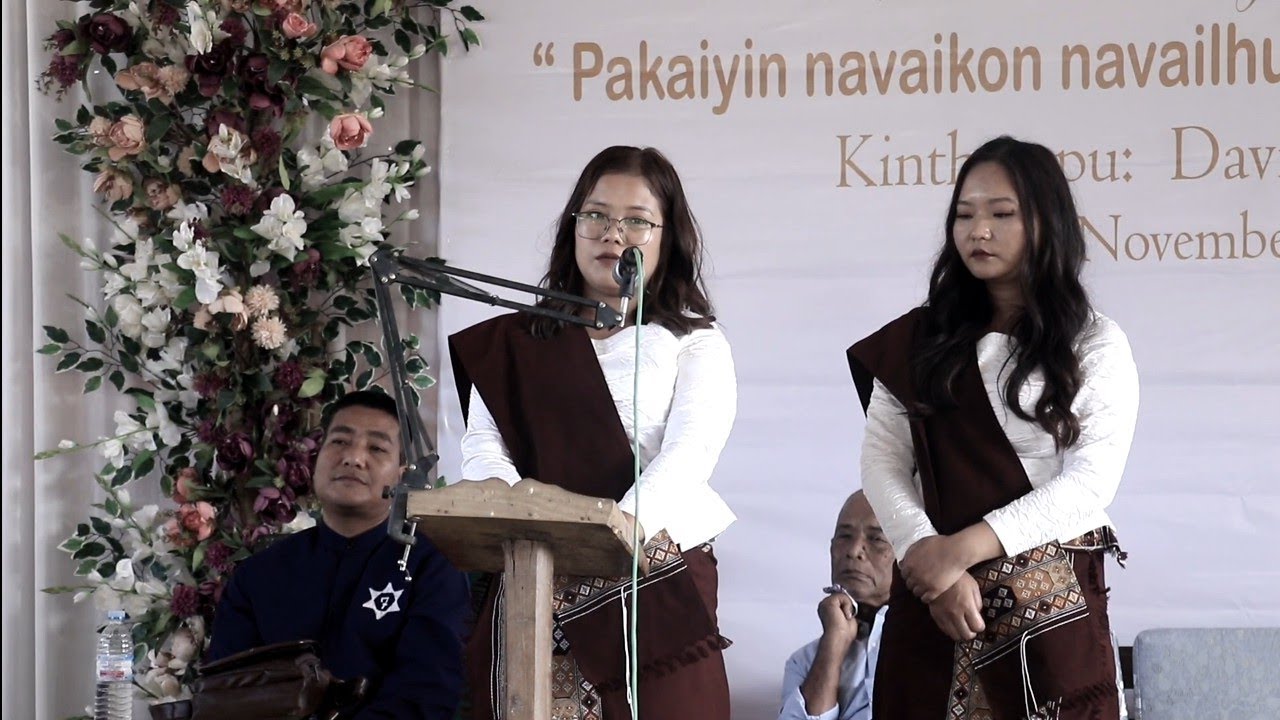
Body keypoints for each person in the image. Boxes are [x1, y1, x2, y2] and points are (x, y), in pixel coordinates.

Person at [846, 136, 1139, 720]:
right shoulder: (917, 341)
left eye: (1002, 214)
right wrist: (924, 553)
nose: (978, 231)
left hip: (1047, 616)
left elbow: (1089, 484)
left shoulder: (1094, 342)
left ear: (1047, 222)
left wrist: (959, 551)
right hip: (929, 603)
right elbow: (882, 460)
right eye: (964, 215)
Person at [449, 145, 737, 719]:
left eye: (636, 220)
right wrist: (513, 515)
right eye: (597, 215)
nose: (614, 233)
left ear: (666, 236)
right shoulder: (518, 343)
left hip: (651, 570)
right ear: (573, 227)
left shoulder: (692, 340)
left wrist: (615, 529)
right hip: (532, 570)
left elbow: (690, 451)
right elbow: (484, 443)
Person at [206, 390, 470, 719]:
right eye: (340, 442)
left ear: (403, 476)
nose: (353, 458)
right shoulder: (259, 575)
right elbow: (224, 695)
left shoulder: (432, 568)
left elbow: (426, 695)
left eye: (376, 447)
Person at [779, 491, 894, 720]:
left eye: (876, 539)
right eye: (844, 536)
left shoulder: (936, 641)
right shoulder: (805, 661)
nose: (853, 551)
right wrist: (834, 643)